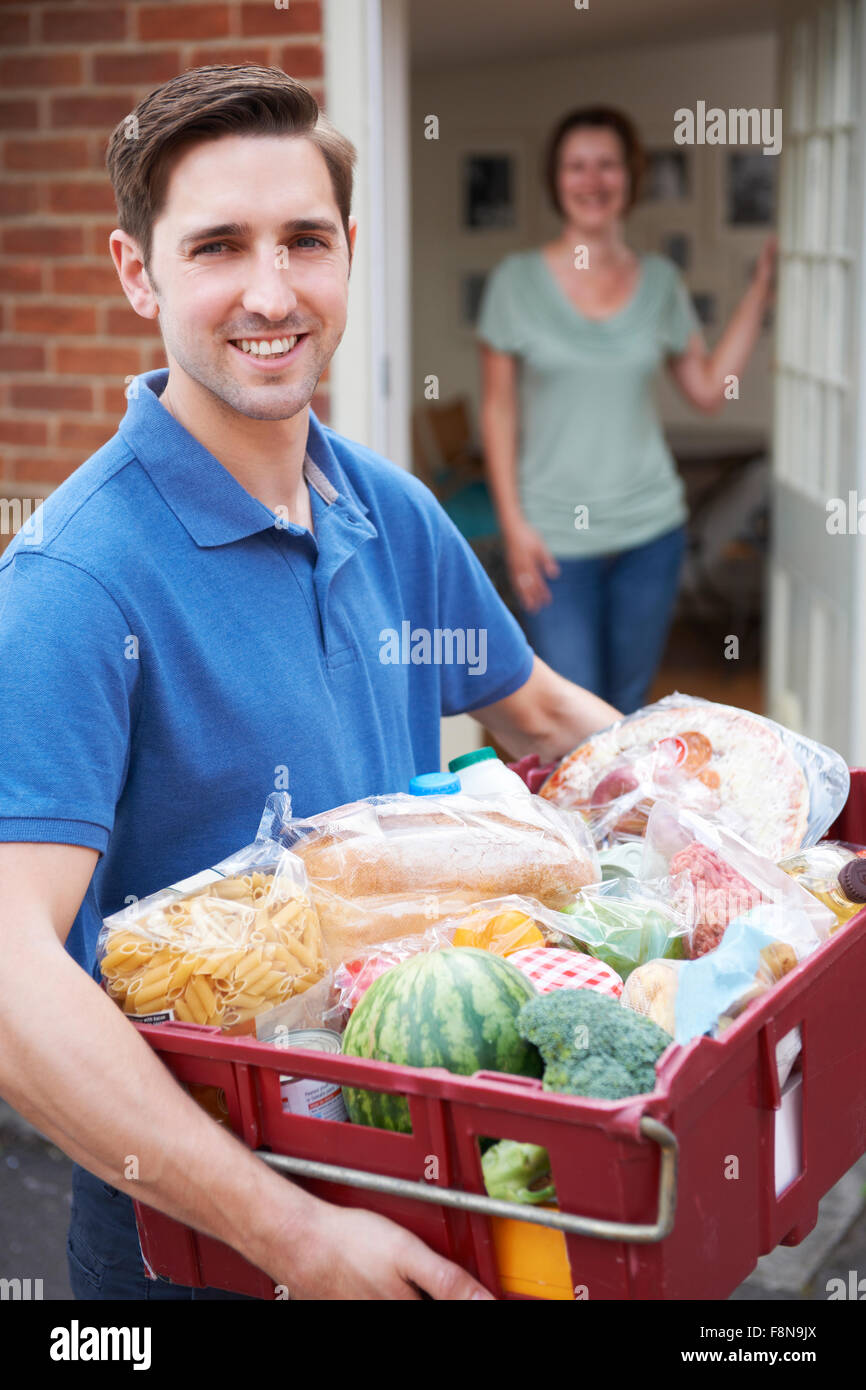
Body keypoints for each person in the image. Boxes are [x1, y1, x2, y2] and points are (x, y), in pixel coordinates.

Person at [0, 66, 620, 1302]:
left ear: (346, 255)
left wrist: (773, 856)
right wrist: (291, 1238)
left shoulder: (386, 509)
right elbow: (11, 974)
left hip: (428, 1180)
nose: (271, 292)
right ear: (139, 275)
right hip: (198, 1247)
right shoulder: (72, 583)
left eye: (304, 241)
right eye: (219, 246)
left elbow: (546, 715)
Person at [477, 106, 776, 714]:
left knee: (631, 709)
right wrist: (513, 525)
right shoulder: (516, 283)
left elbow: (710, 391)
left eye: (607, 164)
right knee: (575, 716)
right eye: (576, 166)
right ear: (556, 180)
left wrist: (761, 287)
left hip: (650, 531)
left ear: (631, 177)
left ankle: (624, 815)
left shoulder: (661, 283)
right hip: (554, 540)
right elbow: (497, 410)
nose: (593, 180)